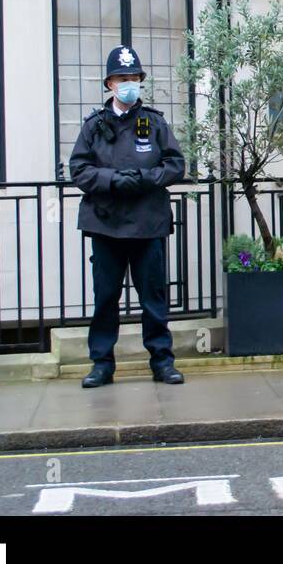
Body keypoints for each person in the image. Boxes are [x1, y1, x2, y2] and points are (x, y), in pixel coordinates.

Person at [69, 45, 186, 387]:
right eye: (122, 78)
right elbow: (79, 169)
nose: (129, 84)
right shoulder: (93, 125)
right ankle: (102, 365)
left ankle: (162, 362)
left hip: (147, 223)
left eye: (133, 77)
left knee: (153, 298)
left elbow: (175, 164)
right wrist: (112, 180)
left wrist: (144, 179)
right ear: (109, 83)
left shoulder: (154, 123)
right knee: (106, 298)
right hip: (106, 224)